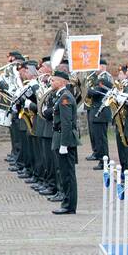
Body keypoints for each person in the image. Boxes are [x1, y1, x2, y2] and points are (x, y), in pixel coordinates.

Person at [49, 68, 79, 214]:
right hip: (59, 137)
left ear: (61, 82)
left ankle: (69, 205)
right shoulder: (60, 96)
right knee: (64, 173)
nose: (51, 82)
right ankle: (66, 203)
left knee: (67, 174)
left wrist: (64, 144)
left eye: (53, 80)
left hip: (64, 139)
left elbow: (67, 123)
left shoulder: (65, 97)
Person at [84, 58, 114, 167]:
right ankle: (100, 157)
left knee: (101, 139)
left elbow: (96, 92)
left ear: (101, 66)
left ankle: (104, 161)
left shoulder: (105, 77)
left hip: (101, 112)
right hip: (96, 110)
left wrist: (90, 90)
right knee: (97, 137)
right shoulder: (98, 77)